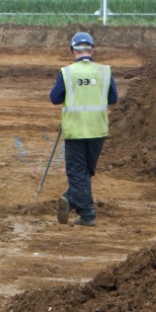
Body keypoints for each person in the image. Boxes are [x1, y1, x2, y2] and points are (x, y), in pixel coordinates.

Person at [50, 31, 118, 227]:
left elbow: (54, 98)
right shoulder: (104, 71)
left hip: (76, 129)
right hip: (98, 129)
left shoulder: (67, 72)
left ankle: (86, 213)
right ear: (92, 50)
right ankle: (71, 198)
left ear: (73, 51)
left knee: (78, 171)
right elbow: (113, 98)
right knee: (86, 170)